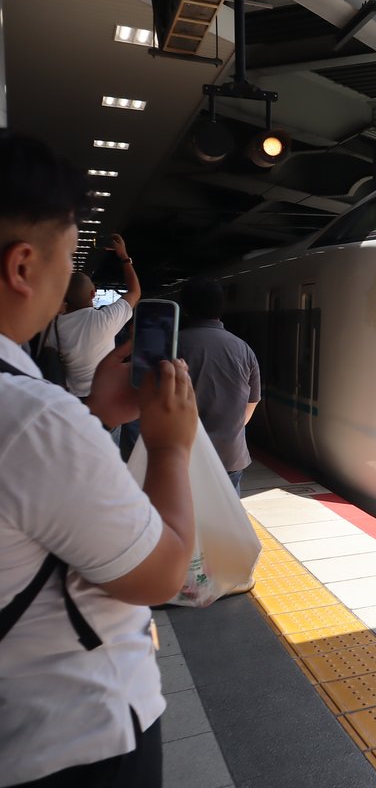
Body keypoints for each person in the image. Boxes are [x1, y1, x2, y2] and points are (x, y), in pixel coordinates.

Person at [0, 132, 198, 787]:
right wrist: (169, 445)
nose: (65, 285)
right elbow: (161, 575)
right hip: (74, 742)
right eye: (66, 258)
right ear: (23, 267)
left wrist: (92, 418)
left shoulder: (39, 419)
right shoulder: (32, 418)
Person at [177, 277, 261, 496]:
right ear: (221, 308)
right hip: (230, 456)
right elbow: (252, 401)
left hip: (183, 454)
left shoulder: (172, 345)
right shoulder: (243, 349)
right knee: (227, 523)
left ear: (185, 309)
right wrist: (229, 430)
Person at [47, 233, 141, 398]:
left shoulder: (53, 327)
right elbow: (134, 291)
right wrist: (124, 256)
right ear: (93, 293)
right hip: (104, 396)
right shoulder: (106, 319)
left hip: (72, 399)